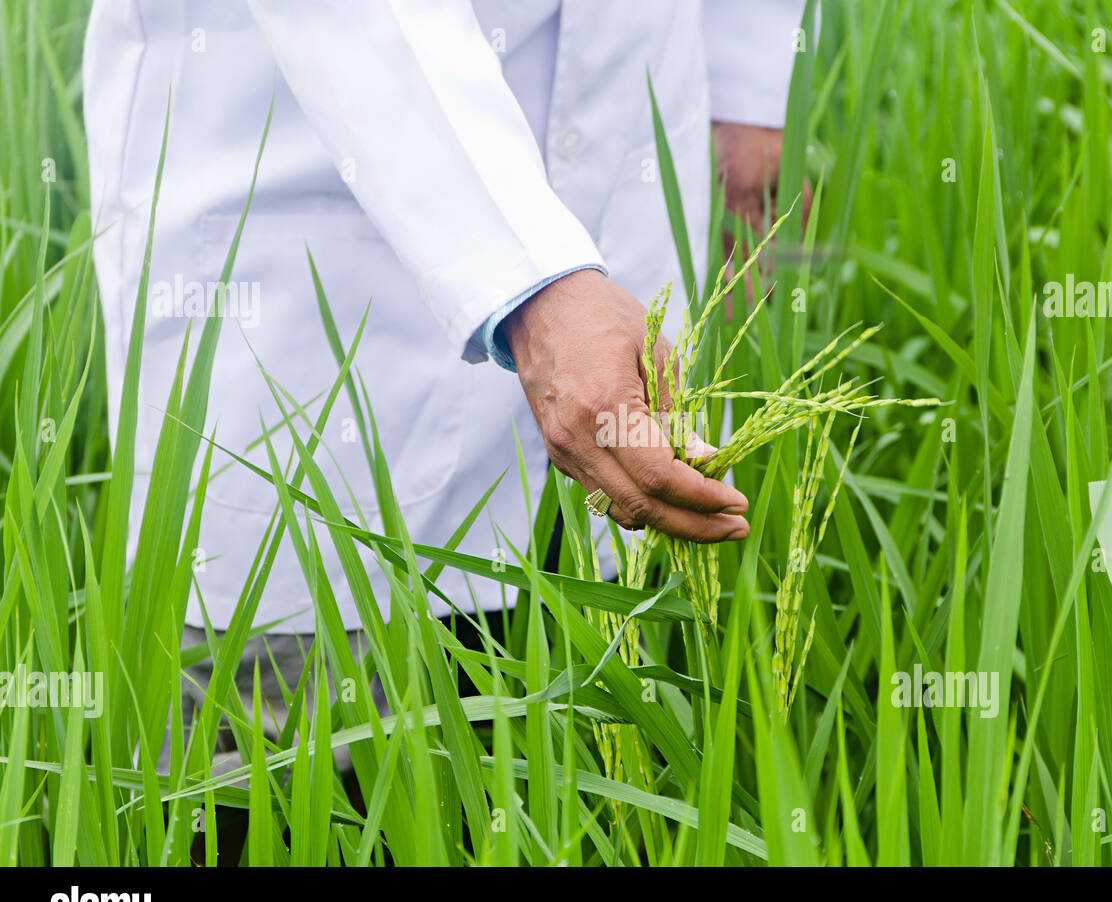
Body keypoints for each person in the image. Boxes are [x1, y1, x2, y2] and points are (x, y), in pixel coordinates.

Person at [84, 1, 801, 765]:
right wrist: (534, 279)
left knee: (570, 770)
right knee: (288, 787)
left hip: (628, 178)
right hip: (303, 260)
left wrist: (744, 74)